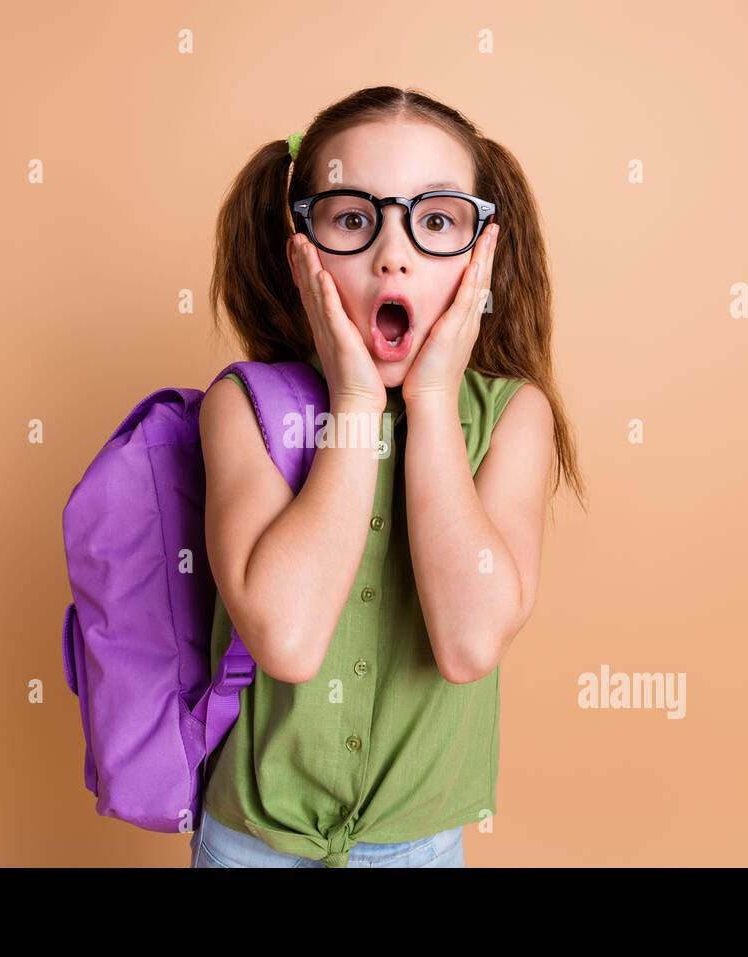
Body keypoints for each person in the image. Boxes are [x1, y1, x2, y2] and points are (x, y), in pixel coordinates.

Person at [191, 86, 586, 868]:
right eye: (351, 218)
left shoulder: (514, 417)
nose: (393, 254)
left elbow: (471, 642)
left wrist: (433, 400)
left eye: (436, 221)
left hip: (423, 845)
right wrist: (354, 402)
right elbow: (288, 639)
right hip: (251, 842)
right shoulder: (244, 407)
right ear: (298, 250)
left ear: (484, 254)